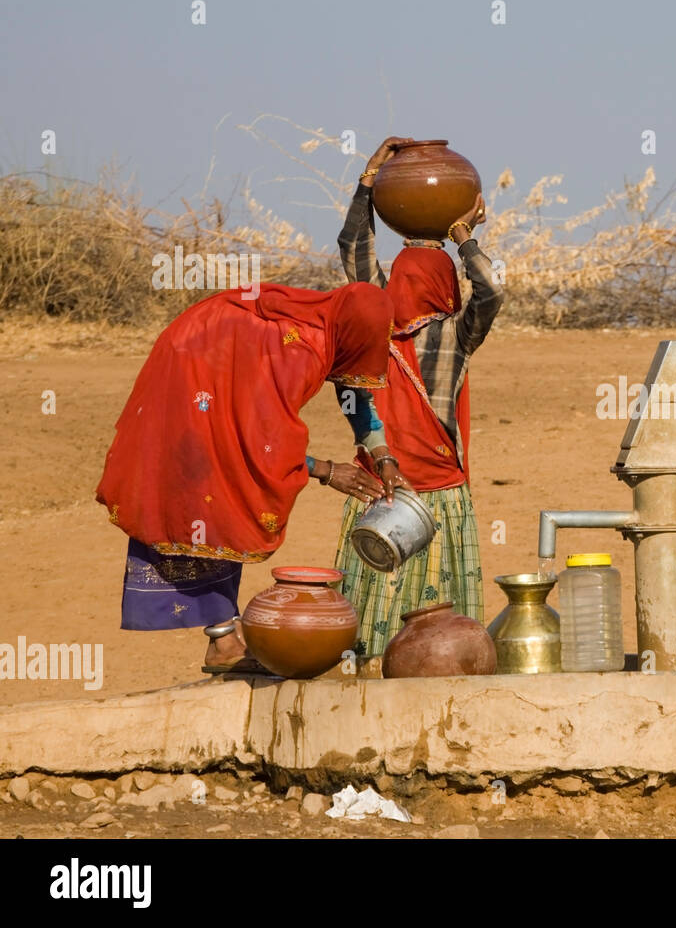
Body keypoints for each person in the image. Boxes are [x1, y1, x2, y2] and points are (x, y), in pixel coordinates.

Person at [95, 279, 411, 673]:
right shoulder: (302, 350)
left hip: (206, 346)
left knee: (221, 492)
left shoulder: (329, 322)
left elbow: (354, 389)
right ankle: (224, 640)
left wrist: (381, 454)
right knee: (219, 488)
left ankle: (225, 635)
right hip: (195, 363)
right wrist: (326, 472)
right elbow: (264, 439)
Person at [333, 137, 505, 656]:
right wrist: (463, 240)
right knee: (440, 622)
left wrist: (368, 183)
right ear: (447, 290)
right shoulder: (456, 334)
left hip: (378, 489)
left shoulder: (371, 328)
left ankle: (363, 671)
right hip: (440, 497)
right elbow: (493, 291)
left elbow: (354, 251)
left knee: (371, 609)